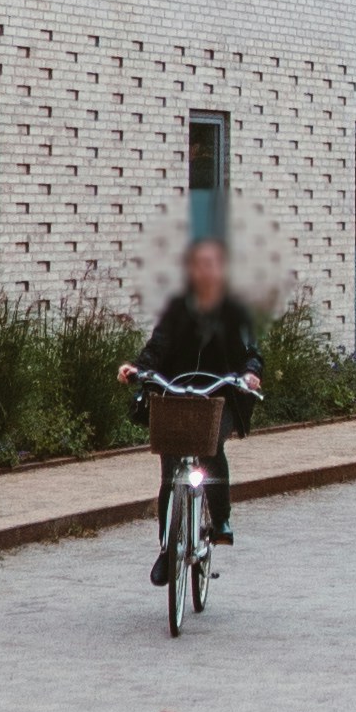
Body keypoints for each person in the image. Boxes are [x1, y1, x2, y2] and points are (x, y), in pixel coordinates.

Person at [125, 234, 263, 583]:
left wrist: (250, 374)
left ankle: (220, 518)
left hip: (220, 395)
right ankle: (166, 550)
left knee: (211, 445)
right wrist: (138, 368)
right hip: (177, 394)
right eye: (198, 264)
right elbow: (158, 345)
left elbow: (251, 352)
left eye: (212, 264)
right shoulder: (178, 308)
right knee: (171, 468)